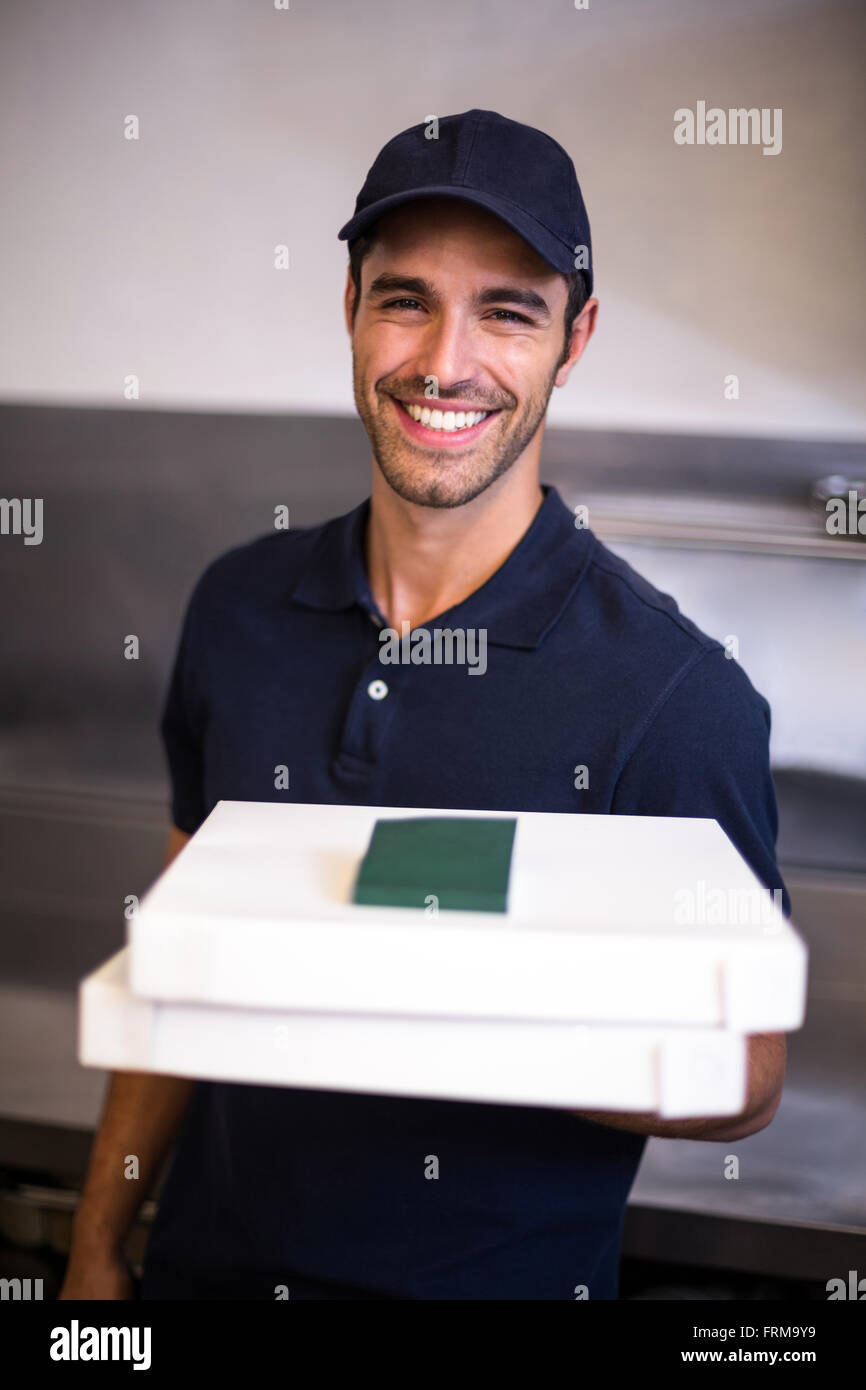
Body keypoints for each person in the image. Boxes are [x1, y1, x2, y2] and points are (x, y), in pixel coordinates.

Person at [61, 109, 788, 1301]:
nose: (444, 363)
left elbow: (745, 1076)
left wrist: (437, 1001)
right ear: (350, 304)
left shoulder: (672, 693)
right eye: (405, 300)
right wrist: (96, 1243)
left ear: (573, 339)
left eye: (507, 312)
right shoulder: (238, 608)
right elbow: (176, 958)